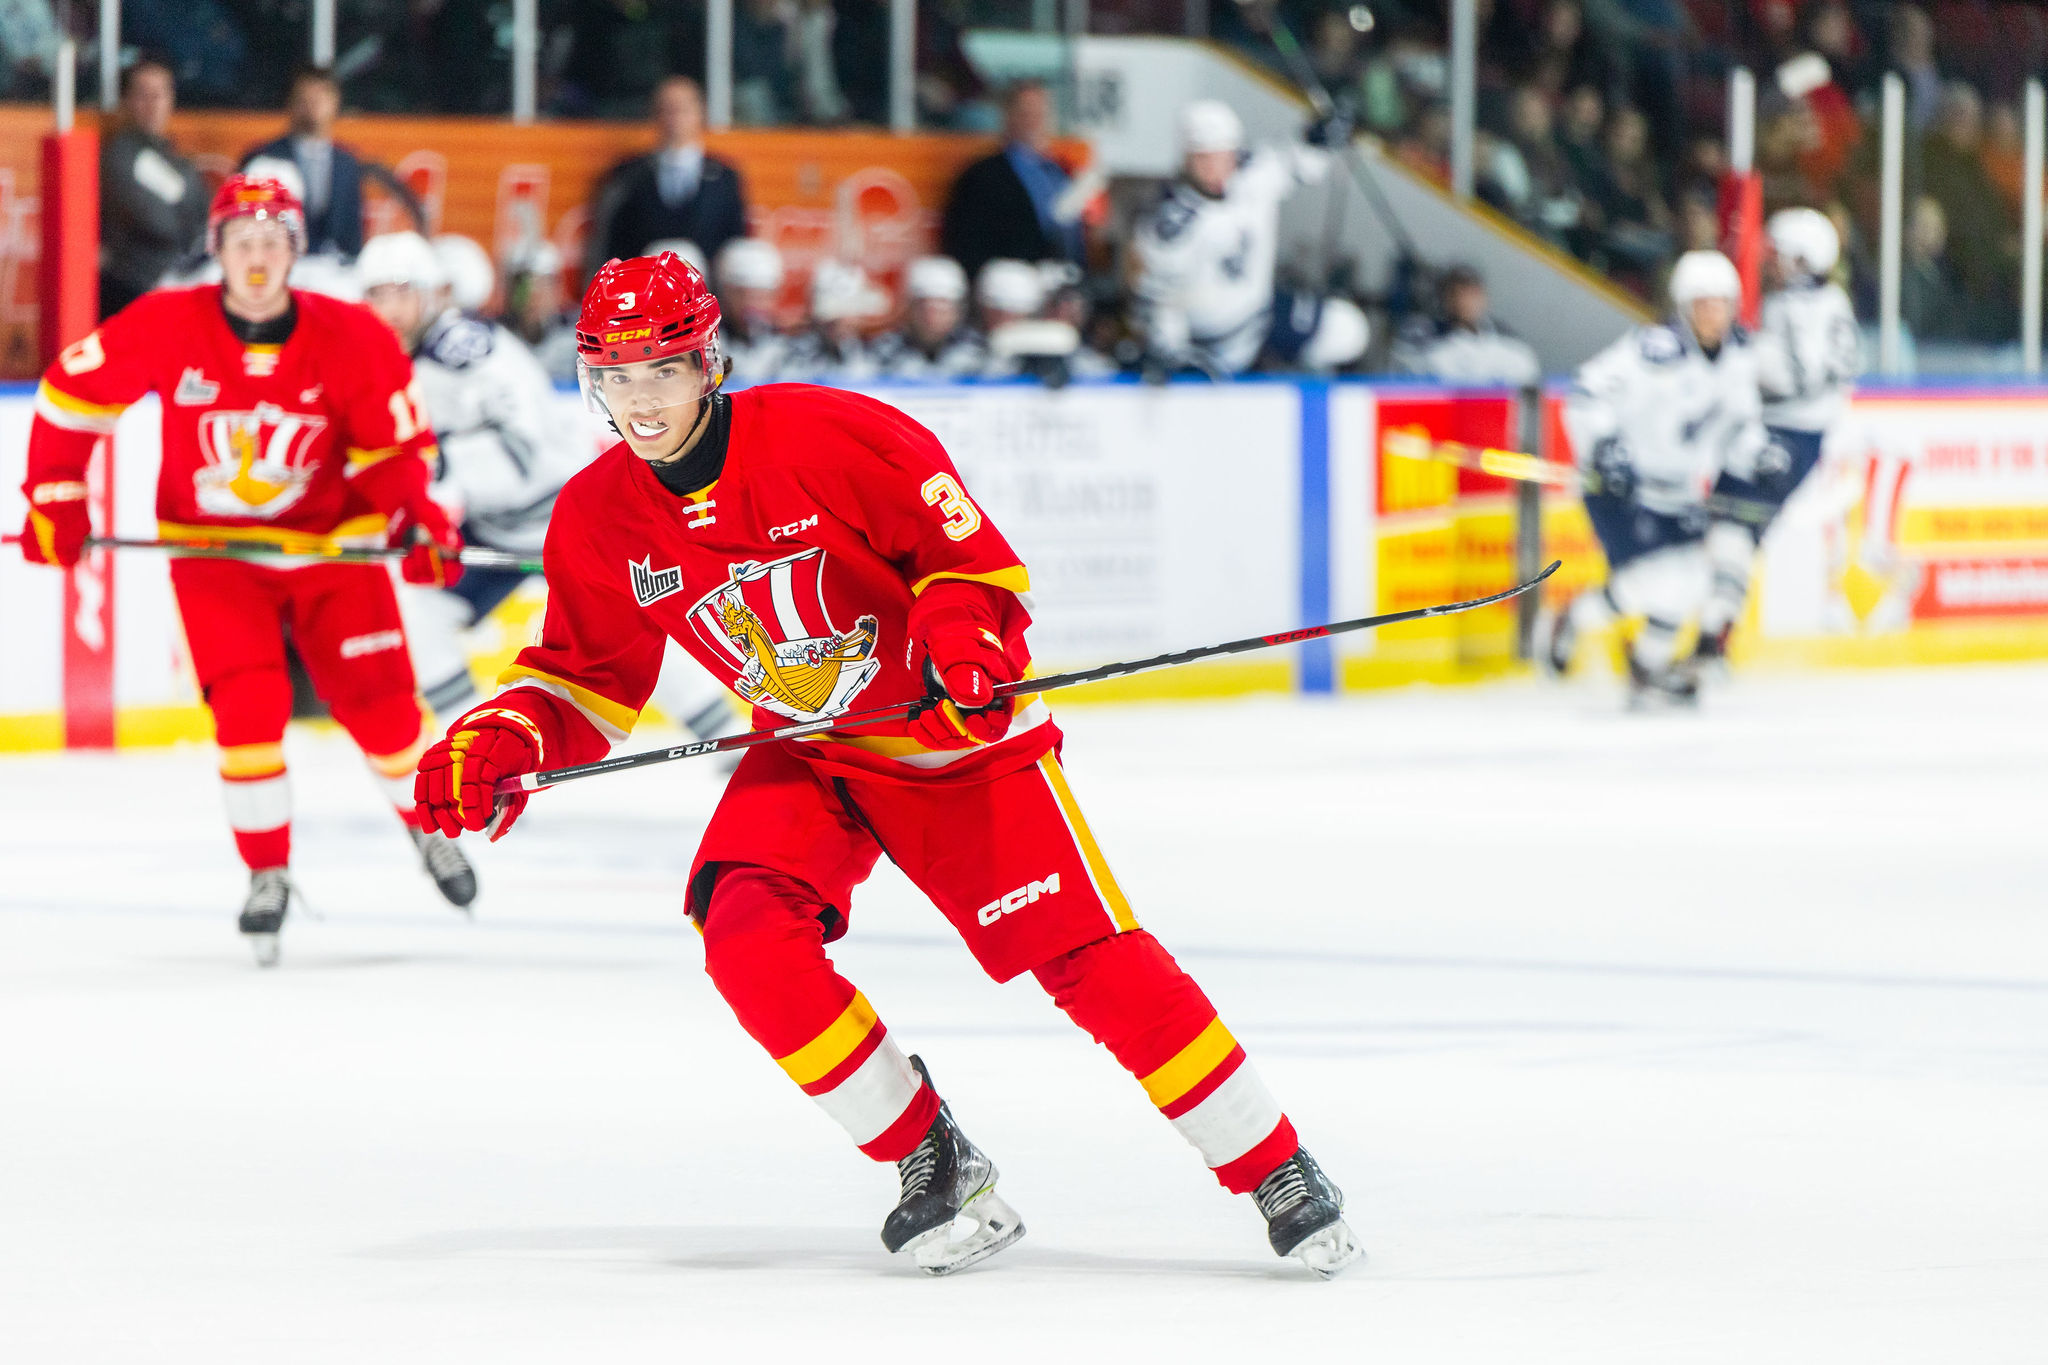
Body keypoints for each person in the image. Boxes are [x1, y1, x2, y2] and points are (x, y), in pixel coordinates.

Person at [412, 251, 1363, 1279]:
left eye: (662, 370)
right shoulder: (599, 514)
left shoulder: (831, 434)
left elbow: (962, 559)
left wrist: (962, 642)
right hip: (811, 753)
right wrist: (499, 739)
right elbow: (583, 678)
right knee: (744, 936)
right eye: (615, 376)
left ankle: (1273, 1164)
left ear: (708, 362)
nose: (639, 401)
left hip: (950, 742)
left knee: (1085, 962)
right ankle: (933, 1162)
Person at [17, 176, 475, 962]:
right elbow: (69, 394)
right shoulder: (168, 323)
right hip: (215, 556)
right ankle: (266, 872)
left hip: (333, 548)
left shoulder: (352, 335)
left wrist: (414, 517)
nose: (257, 258)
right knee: (248, 712)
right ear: (217, 251)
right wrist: (56, 498)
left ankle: (427, 830)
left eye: (272, 242)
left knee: (384, 711)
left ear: (295, 251)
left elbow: (393, 450)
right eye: (242, 243)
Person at [1545, 250, 1768, 707]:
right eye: (1702, 304)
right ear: (1684, 306)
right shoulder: (1654, 350)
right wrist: (1606, 447)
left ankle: (1646, 666)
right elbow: (1587, 389)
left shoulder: (1741, 358)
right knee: (1658, 580)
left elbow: (1738, 427)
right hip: (1624, 489)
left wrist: (1759, 455)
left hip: (1681, 494)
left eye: (1720, 303)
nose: (1712, 314)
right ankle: (1572, 621)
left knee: (1689, 583)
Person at [1694, 210, 1859, 664]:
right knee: (1733, 533)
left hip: (1782, 437)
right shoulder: (1831, 301)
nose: (1772, 263)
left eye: (1781, 256)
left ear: (1804, 260)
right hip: (1795, 438)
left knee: (1729, 529)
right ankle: (1713, 635)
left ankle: (1711, 640)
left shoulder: (1796, 306)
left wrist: (1744, 355)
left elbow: (1798, 379)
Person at [1130, 100, 1350, 378]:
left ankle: (1302, 385)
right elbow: (1158, 299)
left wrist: (1321, 137)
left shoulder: (1254, 173)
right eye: (1204, 158)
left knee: (1346, 330)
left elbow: (1303, 165)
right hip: (1213, 338)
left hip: (1261, 314)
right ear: (1186, 157)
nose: (1215, 168)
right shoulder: (1169, 223)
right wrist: (1170, 350)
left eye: (1223, 155)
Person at [590, 76, 749, 274]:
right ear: (654, 115)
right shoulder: (627, 176)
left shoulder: (724, 177)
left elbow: (735, 244)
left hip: (707, 293)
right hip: (642, 292)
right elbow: (610, 243)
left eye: (682, 109)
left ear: (700, 113)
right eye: (666, 110)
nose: (675, 118)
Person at [940, 80, 1085, 282]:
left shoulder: (1059, 173)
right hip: (1010, 290)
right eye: (1026, 113)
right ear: (1009, 116)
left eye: (1040, 113)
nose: (1034, 121)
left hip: (1062, 286)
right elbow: (966, 244)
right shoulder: (983, 176)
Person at [99, 56, 209, 318]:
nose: (152, 105)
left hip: (182, 279)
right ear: (127, 100)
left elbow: (205, 215)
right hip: (134, 284)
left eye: (159, 95)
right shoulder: (119, 155)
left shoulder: (178, 161)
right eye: (143, 95)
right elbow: (159, 225)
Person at [241, 66, 366, 258]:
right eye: (305, 97)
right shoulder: (263, 158)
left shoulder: (347, 163)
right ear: (289, 102)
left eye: (321, 96)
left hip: (336, 271)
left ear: (336, 101)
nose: (313, 104)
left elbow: (352, 230)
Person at [1391, 265, 1542, 386]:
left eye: (1472, 293)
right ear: (1443, 299)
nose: (1464, 301)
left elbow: (1528, 380)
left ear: (1484, 297)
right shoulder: (1421, 337)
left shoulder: (1509, 342)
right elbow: (1403, 381)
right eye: (1456, 293)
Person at [870, 255, 985, 380]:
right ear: (909, 307)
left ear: (958, 308)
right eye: (923, 304)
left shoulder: (981, 351)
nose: (932, 314)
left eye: (943, 304)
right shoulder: (883, 351)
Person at [782, 259, 883, 382]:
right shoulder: (795, 354)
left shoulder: (864, 349)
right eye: (837, 318)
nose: (847, 321)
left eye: (852, 313)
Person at [712, 236, 796, 384]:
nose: (752, 305)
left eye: (762, 296)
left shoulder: (790, 348)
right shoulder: (709, 346)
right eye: (742, 294)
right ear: (726, 293)